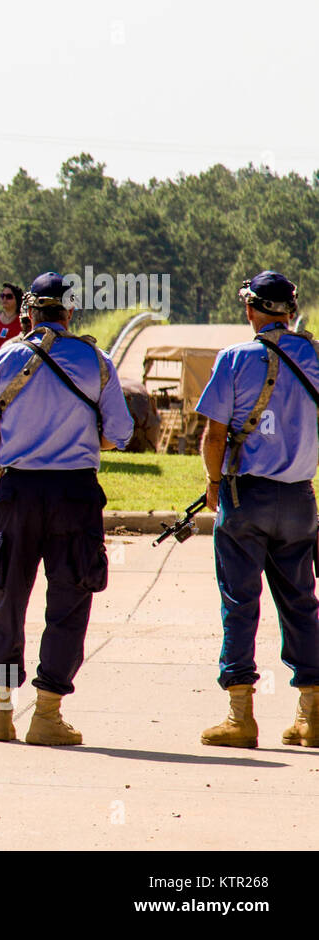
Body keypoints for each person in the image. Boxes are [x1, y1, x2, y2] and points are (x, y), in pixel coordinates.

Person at [0, 272, 133, 746]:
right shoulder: (96, 361)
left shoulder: (3, 358)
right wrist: (78, 441)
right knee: (69, 601)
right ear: (70, 311)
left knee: (8, 599)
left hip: (16, 492)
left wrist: (3, 462)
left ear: (27, 313)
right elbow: (117, 434)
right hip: (74, 496)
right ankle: (46, 715)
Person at [195, 271, 319, 749]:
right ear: (288, 311)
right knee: (302, 604)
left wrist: (212, 483)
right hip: (300, 498)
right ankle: (310, 714)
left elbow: (215, 436)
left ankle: (240, 717)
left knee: (240, 604)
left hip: (246, 496)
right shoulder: (313, 355)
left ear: (251, 311)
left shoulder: (234, 359)